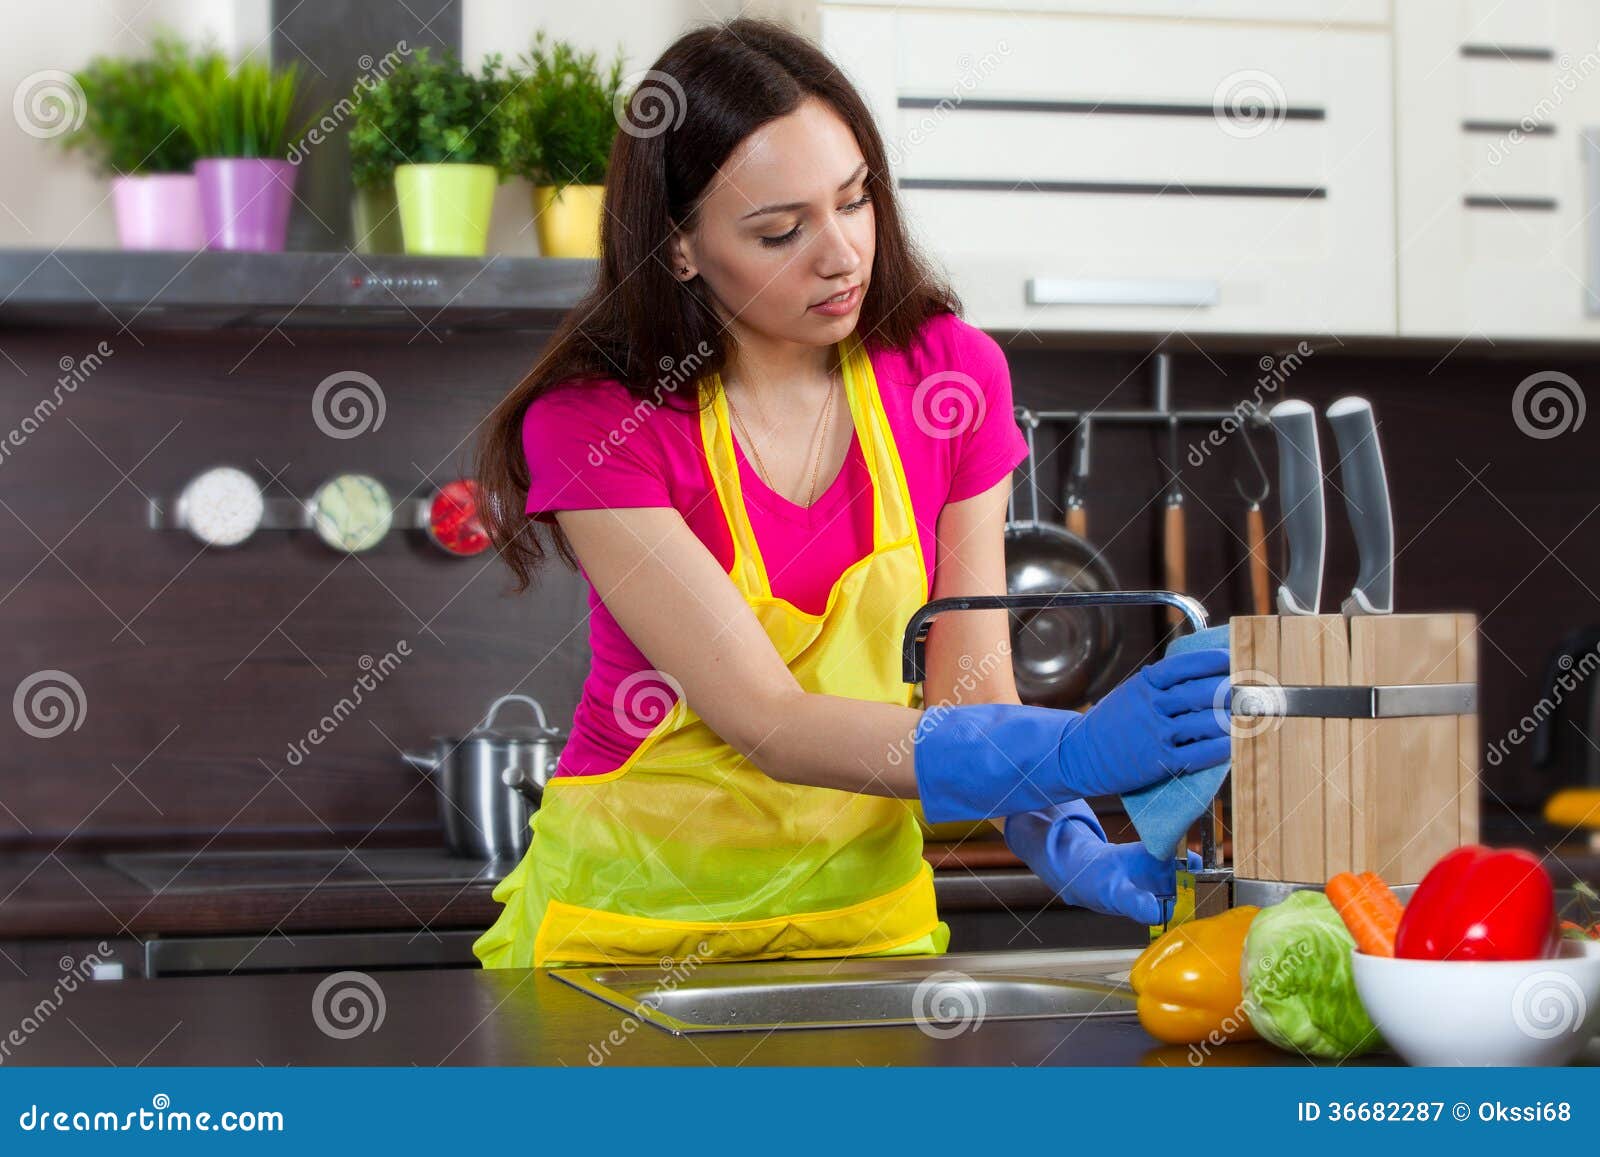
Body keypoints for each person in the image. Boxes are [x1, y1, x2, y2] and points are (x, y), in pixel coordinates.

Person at [470, 17, 1229, 970]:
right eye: (781, 230)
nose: (841, 255)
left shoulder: (950, 379)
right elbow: (769, 723)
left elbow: (972, 692)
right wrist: (1077, 748)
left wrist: (1071, 843)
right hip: (630, 947)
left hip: (871, 939)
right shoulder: (599, 424)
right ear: (679, 251)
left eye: (854, 200)